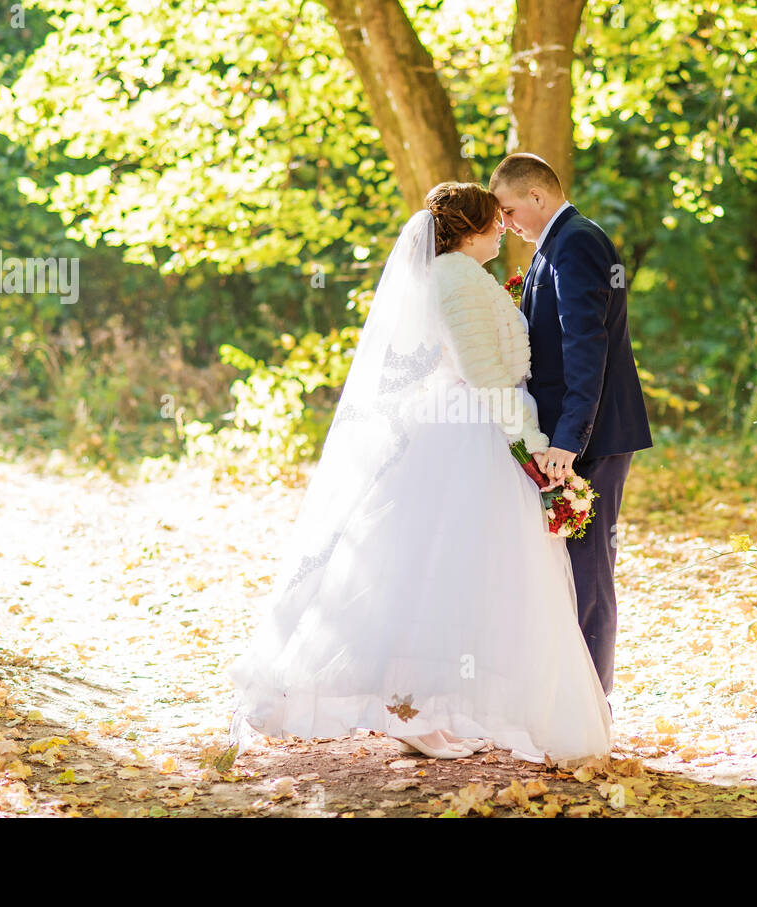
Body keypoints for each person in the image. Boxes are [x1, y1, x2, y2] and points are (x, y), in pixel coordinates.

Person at [225, 181, 612, 763]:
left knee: (453, 577)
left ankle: (425, 708)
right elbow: (484, 374)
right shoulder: (455, 278)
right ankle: (410, 707)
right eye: (495, 219)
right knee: (443, 574)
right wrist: (531, 448)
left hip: (480, 430)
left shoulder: (462, 274)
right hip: (476, 436)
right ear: (473, 227)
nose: (505, 227)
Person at [489, 153, 654, 700]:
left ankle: (590, 703)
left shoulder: (577, 242)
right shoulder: (557, 244)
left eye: (511, 210)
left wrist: (566, 440)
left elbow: (588, 347)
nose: (507, 223)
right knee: (571, 565)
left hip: (592, 437)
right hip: (577, 434)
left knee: (589, 569)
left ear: (537, 197)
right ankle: (570, 695)